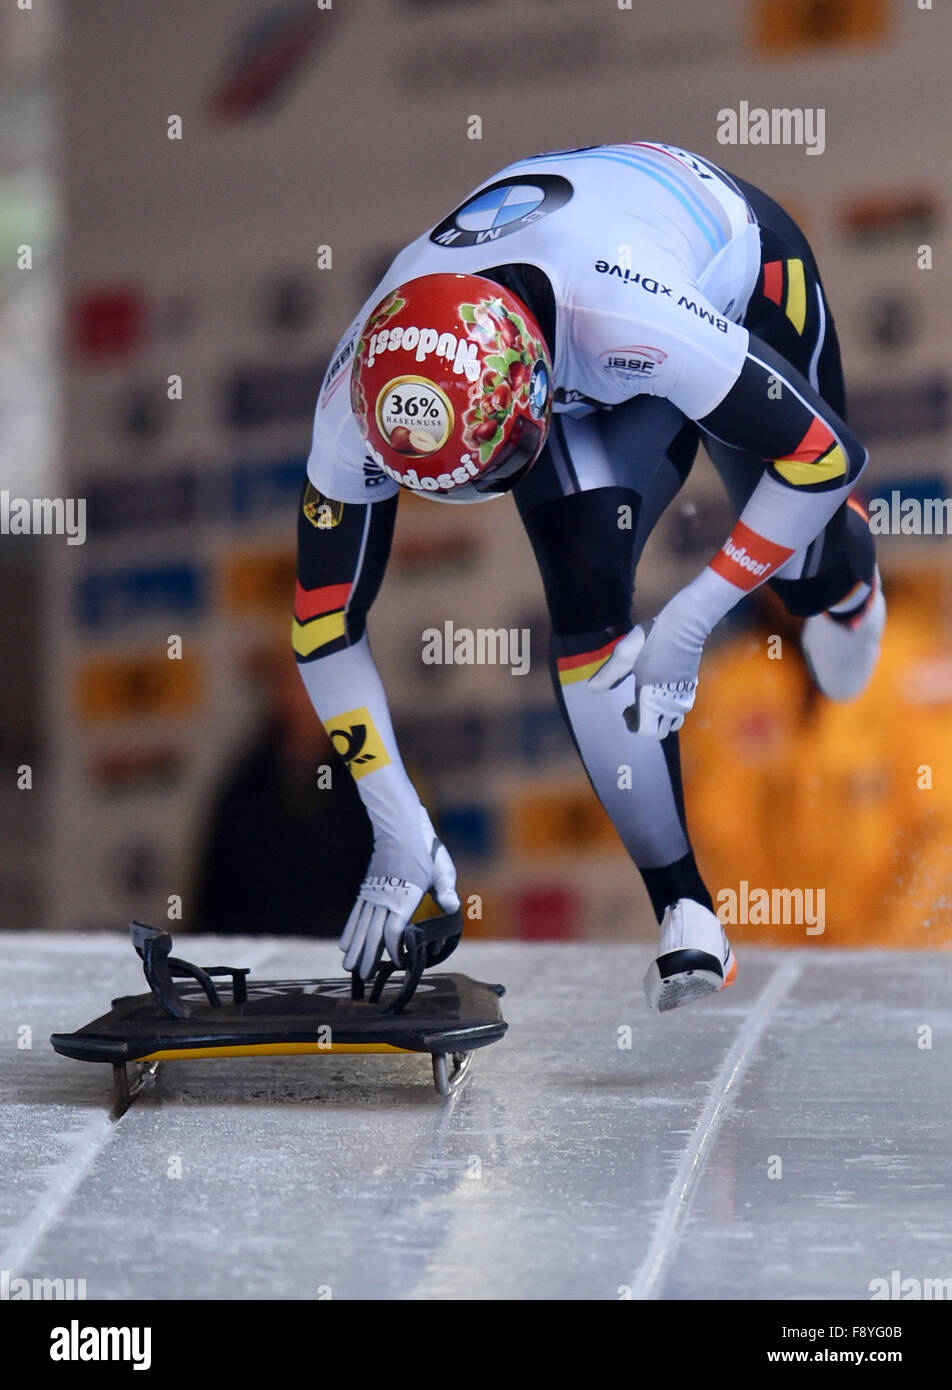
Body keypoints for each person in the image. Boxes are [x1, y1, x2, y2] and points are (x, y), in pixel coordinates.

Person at [293, 141, 885, 1012]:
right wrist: (393, 818)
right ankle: (684, 907)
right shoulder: (356, 397)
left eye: (505, 465)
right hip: (576, 351)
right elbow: (322, 625)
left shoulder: (623, 313)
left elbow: (825, 456)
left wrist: (691, 619)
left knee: (803, 572)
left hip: (730, 283)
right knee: (585, 599)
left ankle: (849, 582)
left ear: (530, 390)